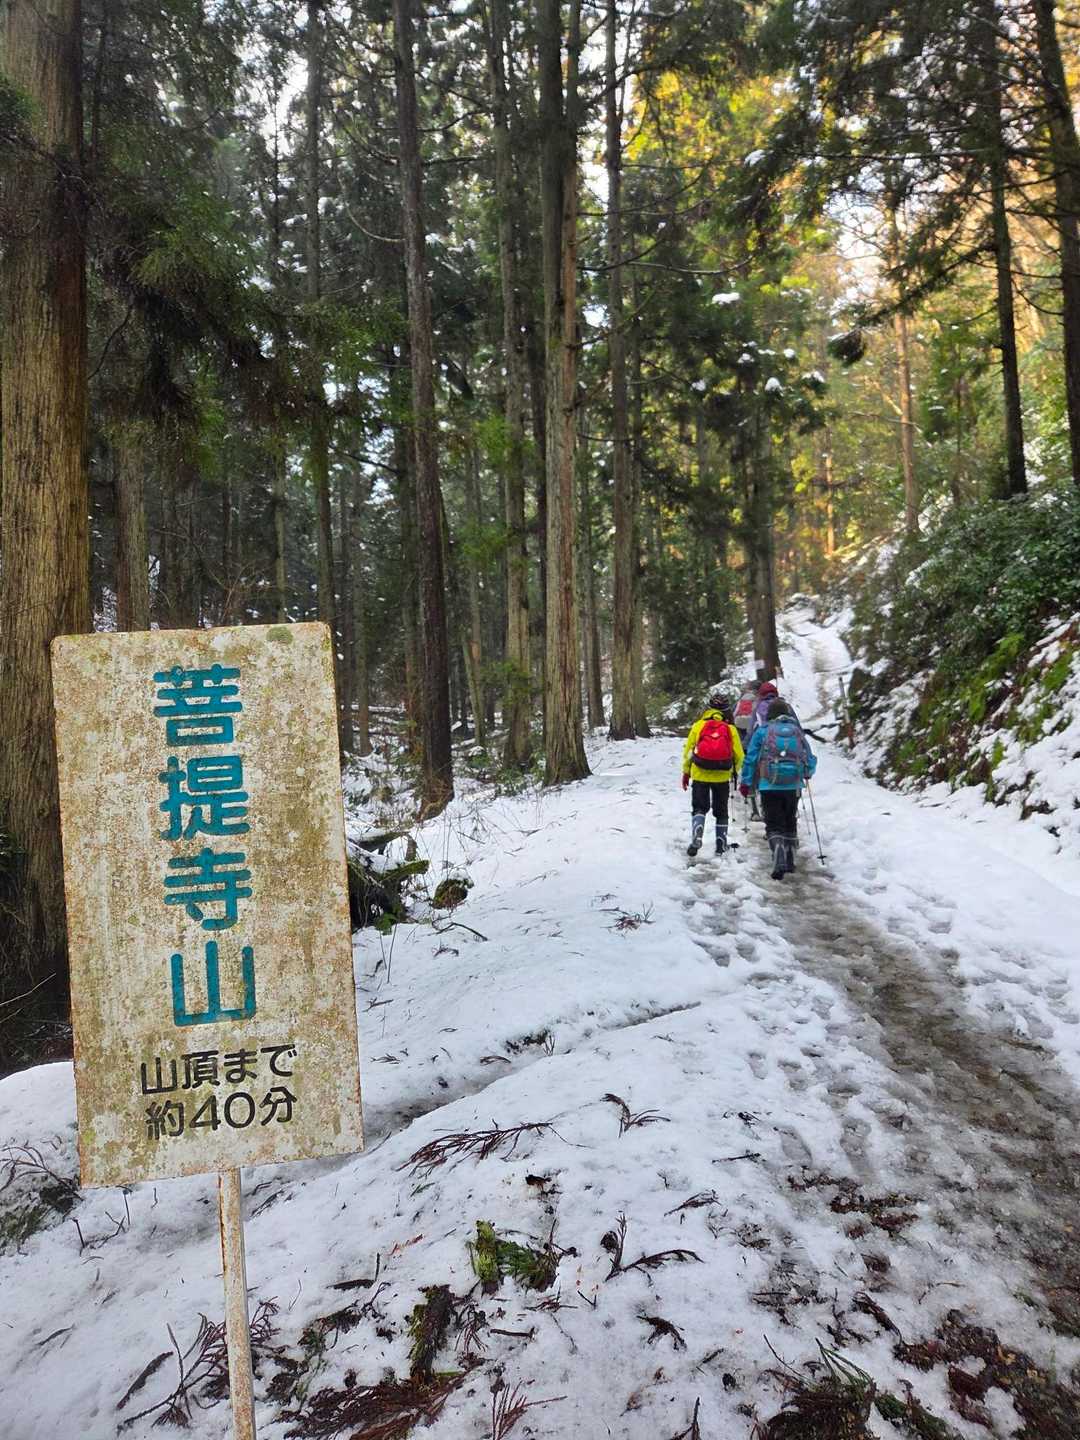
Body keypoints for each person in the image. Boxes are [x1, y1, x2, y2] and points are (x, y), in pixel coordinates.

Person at [739, 699, 816, 880]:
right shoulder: (796, 731)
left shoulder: (762, 731)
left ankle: (778, 852)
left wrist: (746, 782)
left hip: (769, 784)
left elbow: (750, 758)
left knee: (774, 822)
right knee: (790, 819)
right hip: (793, 784)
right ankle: (789, 859)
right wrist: (807, 773)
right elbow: (809, 756)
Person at [681, 692, 744, 856]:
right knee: (721, 811)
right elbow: (739, 755)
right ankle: (721, 844)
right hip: (722, 776)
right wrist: (733, 771)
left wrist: (686, 772)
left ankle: (697, 834)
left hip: (700, 773)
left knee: (699, 807)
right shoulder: (730, 729)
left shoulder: (698, 726)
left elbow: (688, 752)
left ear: (708, 708)